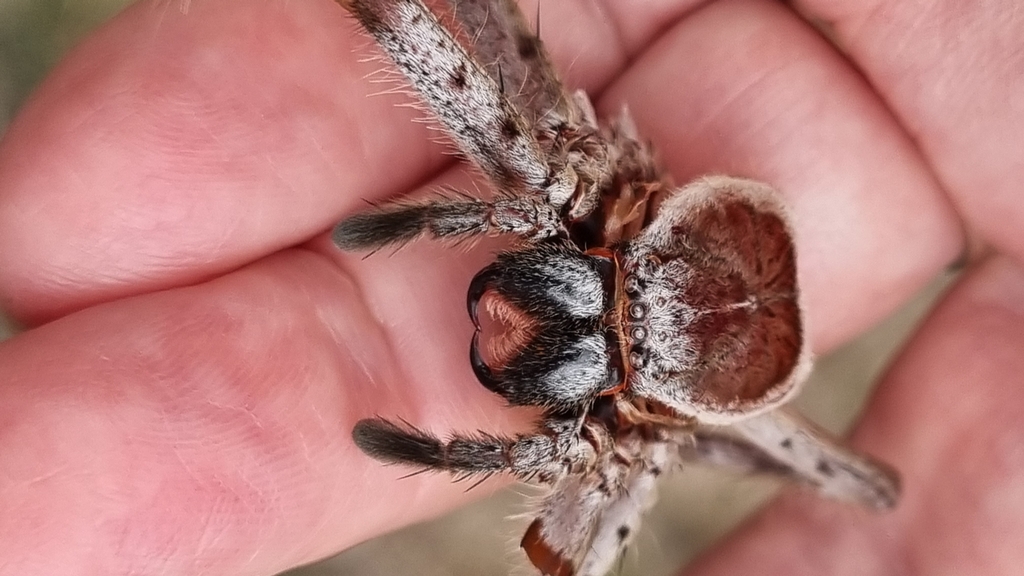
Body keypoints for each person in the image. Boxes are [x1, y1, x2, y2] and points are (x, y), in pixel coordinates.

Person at [0, 0, 1021, 574]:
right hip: (649, 254)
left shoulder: (631, 427)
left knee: (827, 472)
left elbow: (558, 548)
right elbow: (471, 63)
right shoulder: (584, 198)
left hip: (671, 338)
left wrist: (514, 485)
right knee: (514, 121)